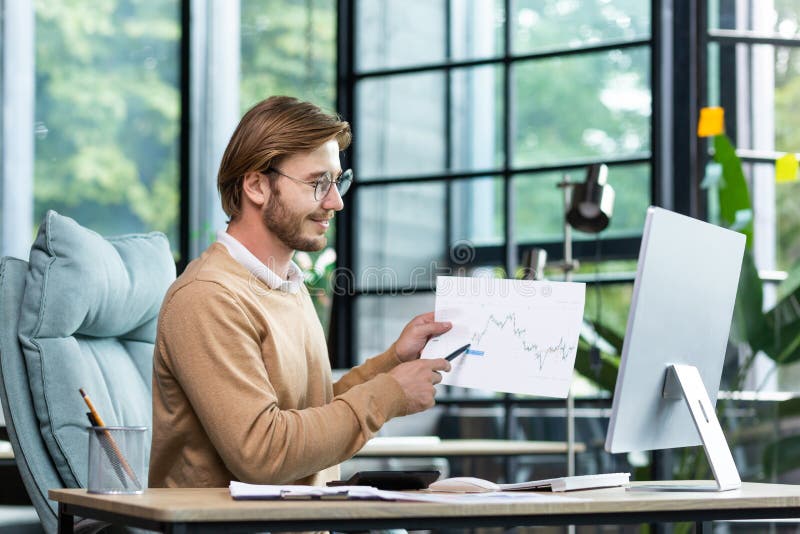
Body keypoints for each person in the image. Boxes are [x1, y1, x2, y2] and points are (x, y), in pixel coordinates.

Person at [149, 96, 452, 488]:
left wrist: (393, 362)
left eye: (338, 181)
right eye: (317, 183)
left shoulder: (288, 286)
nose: (336, 201)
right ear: (256, 185)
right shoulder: (208, 297)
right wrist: (390, 394)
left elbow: (312, 413)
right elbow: (264, 451)